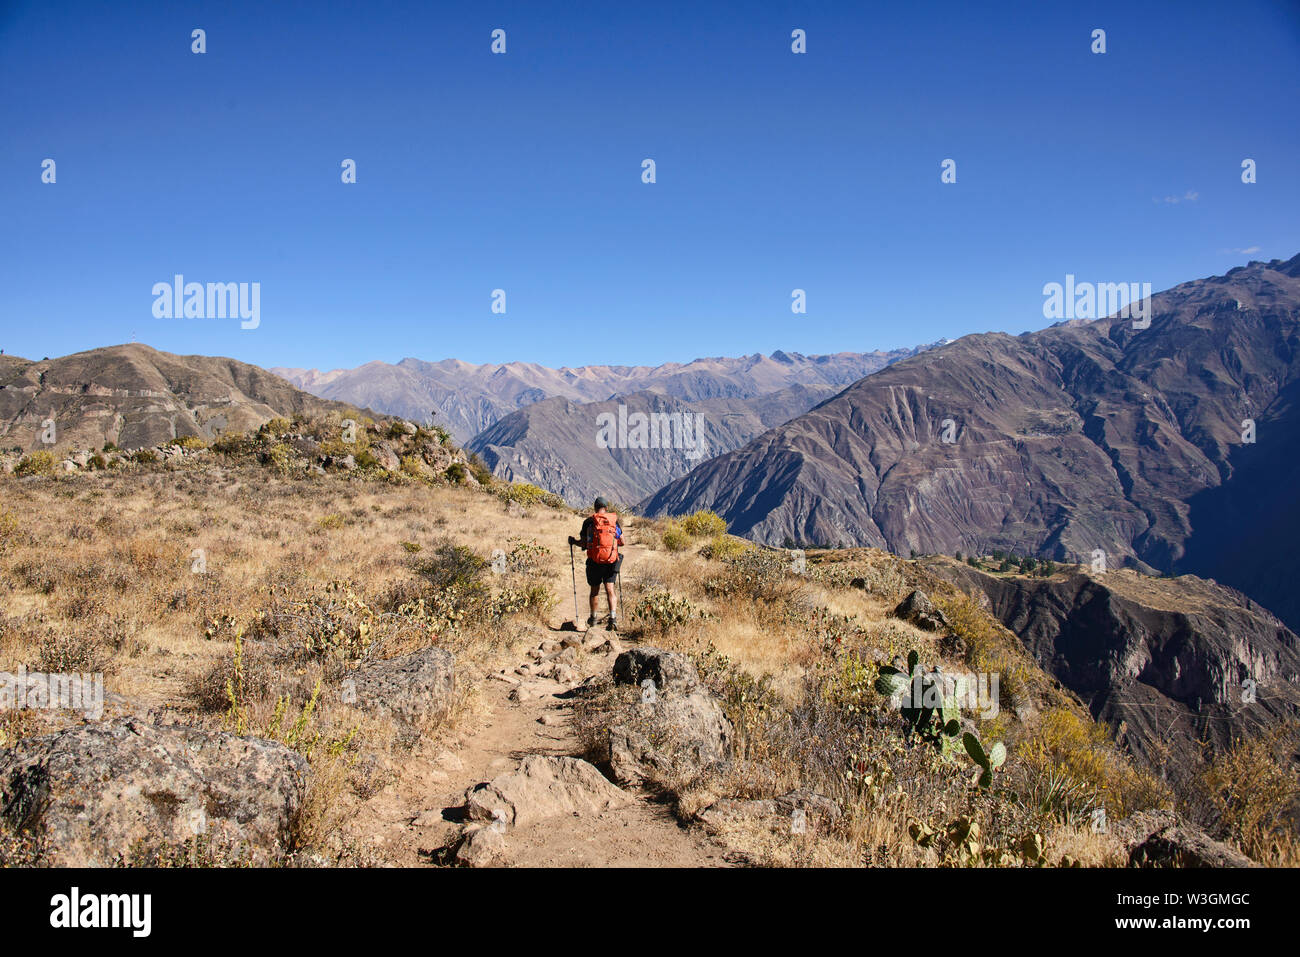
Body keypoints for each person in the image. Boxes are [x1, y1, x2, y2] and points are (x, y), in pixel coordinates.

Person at [568, 497, 622, 631]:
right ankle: (613, 618)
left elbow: (584, 543)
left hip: (594, 561)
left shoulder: (589, 522)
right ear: (606, 507)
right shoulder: (614, 522)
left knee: (594, 591)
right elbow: (622, 541)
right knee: (610, 589)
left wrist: (573, 541)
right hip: (611, 561)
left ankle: (593, 619)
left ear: (595, 507)